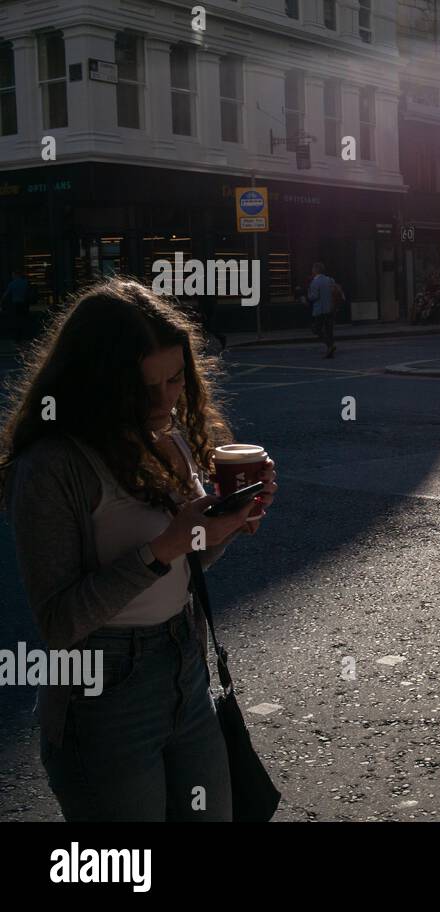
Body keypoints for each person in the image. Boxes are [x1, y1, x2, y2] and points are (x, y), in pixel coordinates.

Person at [0, 278, 280, 821]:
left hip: (183, 665)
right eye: (144, 389)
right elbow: (58, 621)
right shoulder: (53, 465)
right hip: (103, 692)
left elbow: (184, 563)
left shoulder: (168, 437)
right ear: (99, 383)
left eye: (176, 379)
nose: (166, 400)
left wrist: (220, 529)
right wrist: (162, 546)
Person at [306, 261, 336, 358]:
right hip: (330, 309)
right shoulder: (330, 280)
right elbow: (334, 293)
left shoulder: (315, 282)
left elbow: (313, 297)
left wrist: (308, 293)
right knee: (329, 330)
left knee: (316, 329)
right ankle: (330, 350)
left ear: (316, 270)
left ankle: (330, 345)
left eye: (313, 269)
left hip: (319, 310)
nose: (312, 270)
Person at [1, 268, 32, 345]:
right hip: (25, 303)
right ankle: (26, 335)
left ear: (15, 275)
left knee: (17, 320)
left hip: (16, 304)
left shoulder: (12, 284)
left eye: (13, 275)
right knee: (24, 319)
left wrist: (1, 302)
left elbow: (6, 294)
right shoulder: (25, 282)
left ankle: (18, 338)